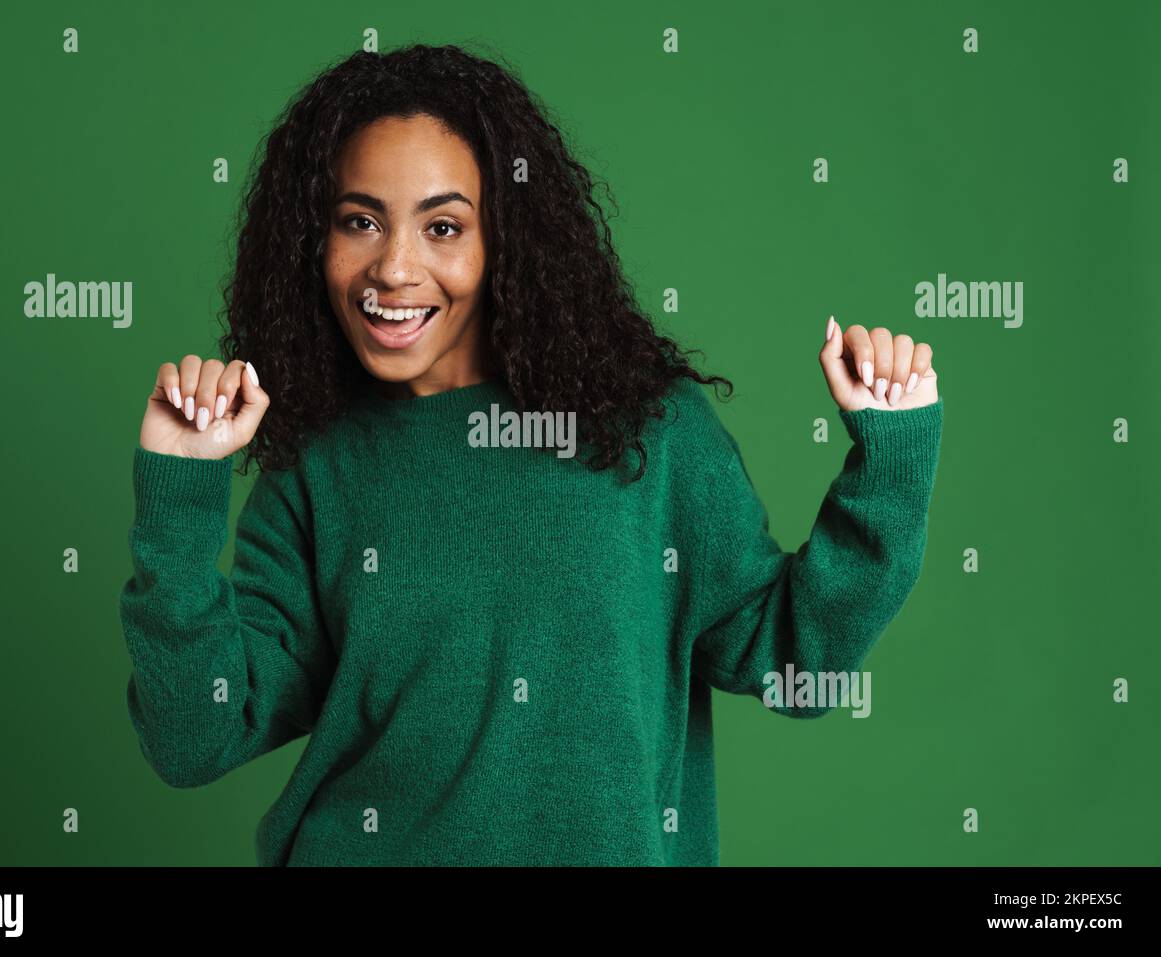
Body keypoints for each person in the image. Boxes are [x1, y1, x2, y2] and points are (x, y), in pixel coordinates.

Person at [119, 43, 943, 866]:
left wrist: (889, 464)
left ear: (508, 238)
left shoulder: (647, 432)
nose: (394, 268)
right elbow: (194, 737)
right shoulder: (316, 464)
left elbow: (797, 661)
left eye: (444, 226)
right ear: (315, 239)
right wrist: (182, 491)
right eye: (359, 220)